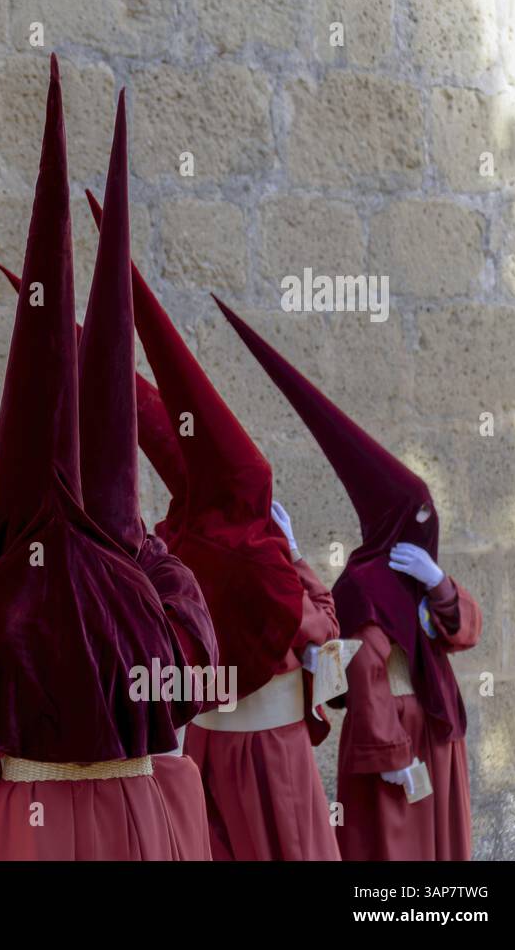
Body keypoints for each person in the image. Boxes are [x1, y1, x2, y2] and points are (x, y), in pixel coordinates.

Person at [0, 68, 217, 860]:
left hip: (33, 830)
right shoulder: (164, 586)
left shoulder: (1, 593)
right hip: (133, 819)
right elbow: (195, 687)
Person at [219, 298, 482, 861]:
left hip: (434, 727)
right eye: (417, 516)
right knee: (398, 851)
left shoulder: (415, 572)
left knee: (439, 850)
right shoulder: (365, 583)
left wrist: (439, 585)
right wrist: (391, 756)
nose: (427, 527)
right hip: (397, 736)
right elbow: (363, 673)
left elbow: (464, 633)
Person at [107, 254, 343, 859]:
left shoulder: (169, 545)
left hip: (204, 743)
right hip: (268, 748)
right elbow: (316, 624)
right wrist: (294, 555)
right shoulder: (256, 555)